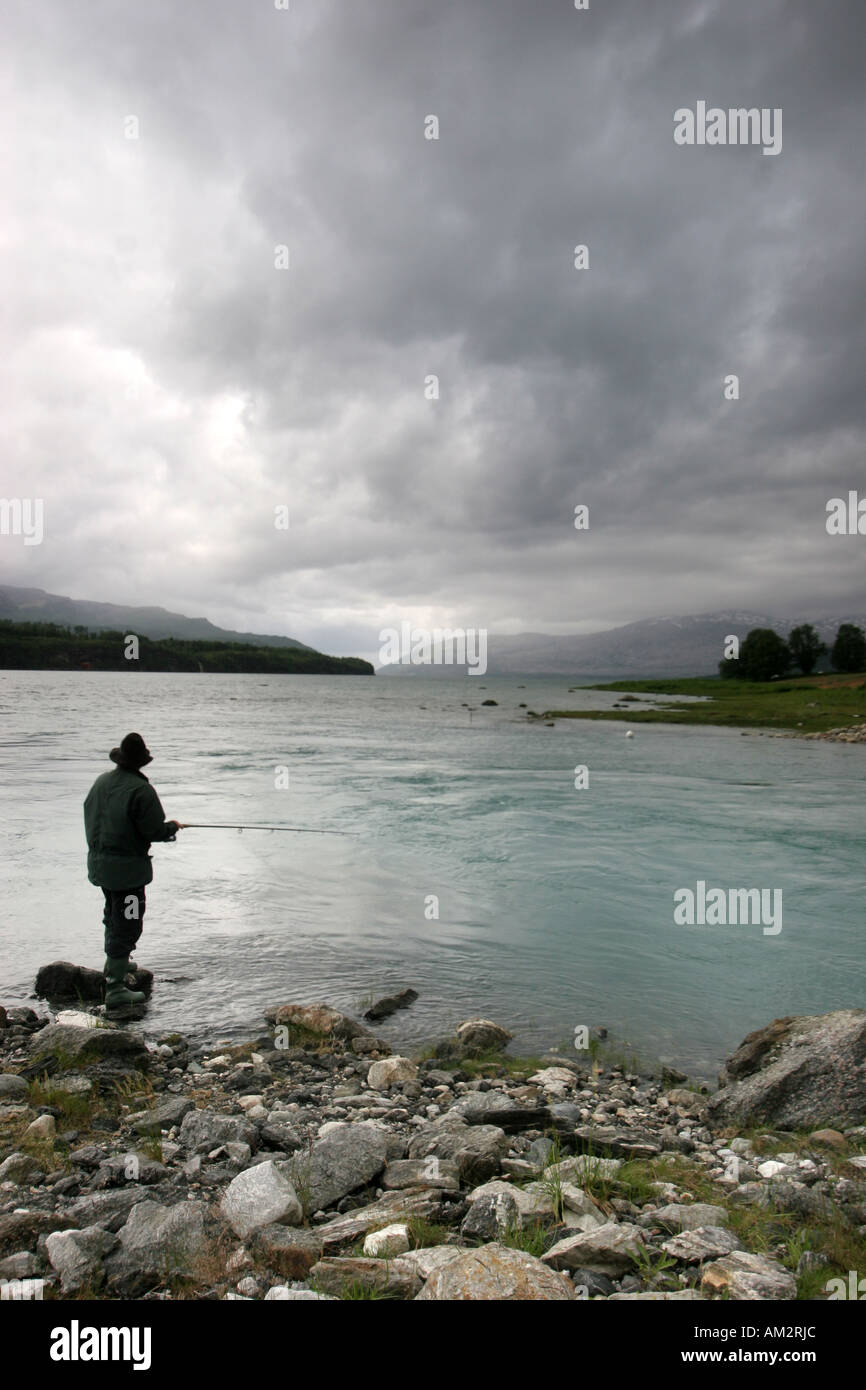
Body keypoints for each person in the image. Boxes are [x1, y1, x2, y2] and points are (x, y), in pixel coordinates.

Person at [83, 733, 185, 1009]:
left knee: (112, 913)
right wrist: (172, 828)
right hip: (127, 874)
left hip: (101, 867)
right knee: (128, 922)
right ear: (141, 762)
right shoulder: (141, 791)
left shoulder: (101, 782)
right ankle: (115, 989)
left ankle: (119, 961)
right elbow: (153, 830)